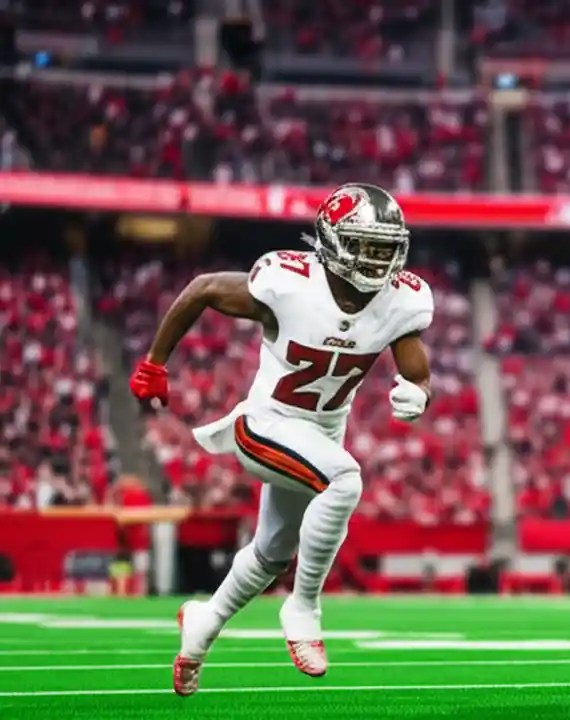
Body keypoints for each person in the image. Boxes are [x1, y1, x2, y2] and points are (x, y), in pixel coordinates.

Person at [128, 183, 435, 696]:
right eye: (367, 245)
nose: (380, 260)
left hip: (318, 433)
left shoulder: (401, 301)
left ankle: (202, 627)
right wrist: (154, 363)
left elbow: (415, 368)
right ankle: (303, 607)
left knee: (271, 552)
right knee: (344, 480)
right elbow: (203, 287)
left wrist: (420, 393)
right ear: (334, 241)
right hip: (266, 424)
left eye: (387, 247)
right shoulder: (290, 284)